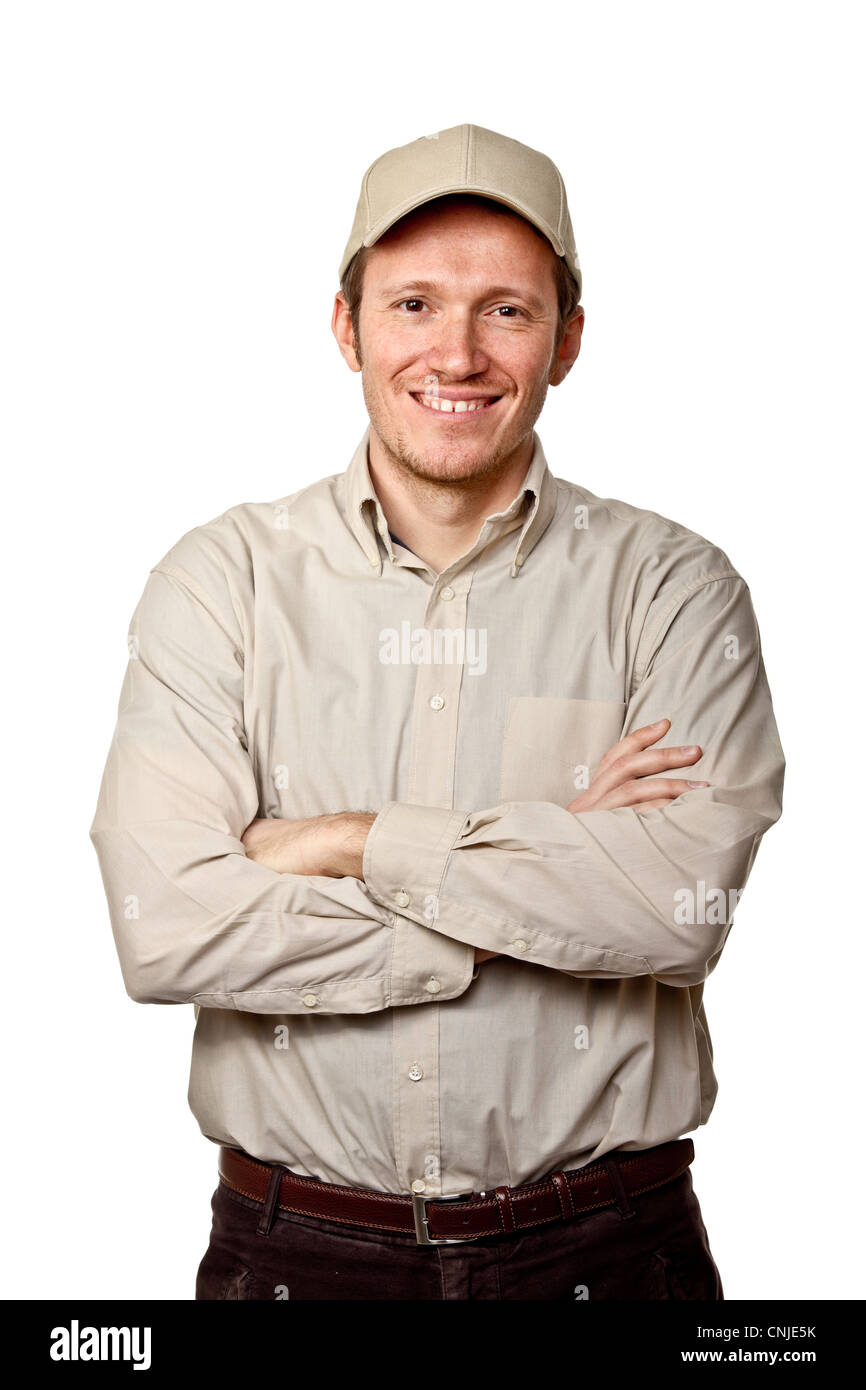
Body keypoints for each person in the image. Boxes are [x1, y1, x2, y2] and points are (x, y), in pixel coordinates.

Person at [89, 123, 785, 1300]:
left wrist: (351, 843)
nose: (455, 352)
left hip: (604, 1256)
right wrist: (548, 865)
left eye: (505, 311)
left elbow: (673, 911)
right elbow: (168, 929)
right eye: (412, 303)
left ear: (566, 341)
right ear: (344, 325)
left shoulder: (673, 589)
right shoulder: (222, 583)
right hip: (294, 1257)